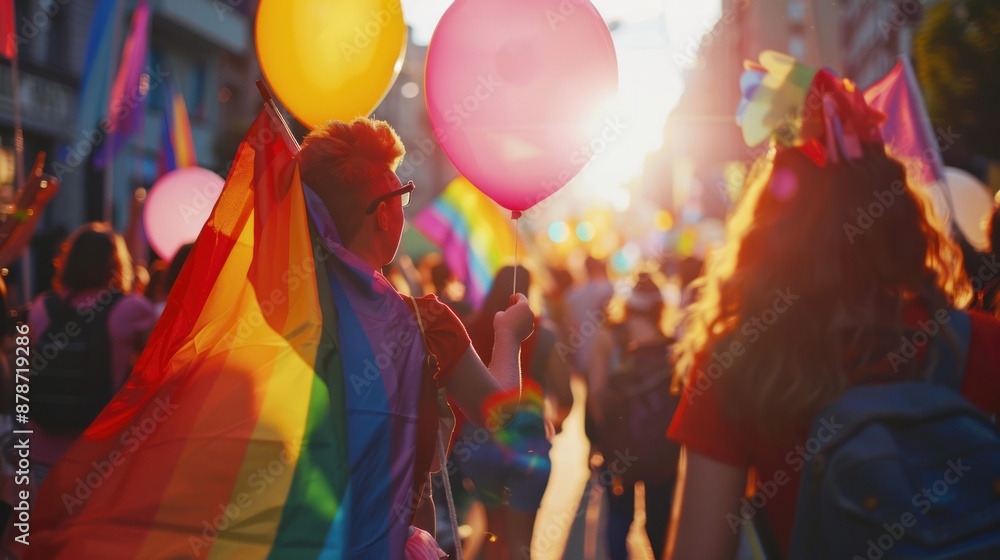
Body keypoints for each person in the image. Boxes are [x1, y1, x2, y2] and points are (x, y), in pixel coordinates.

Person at [665, 58, 1000, 559]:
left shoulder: (738, 362)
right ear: (903, 221)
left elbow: (699, 550)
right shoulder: (984, 342)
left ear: (768, 237)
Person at [298, 118, 535, 557]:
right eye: (402, 195)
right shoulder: (425, 324)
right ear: (385, 212)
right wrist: (510, 336)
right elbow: (500, 414)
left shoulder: (280, 317)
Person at [28, 223, 158, 484]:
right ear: (117, 264)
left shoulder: (42, 307)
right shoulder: (131, 309)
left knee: (38, 524)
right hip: (97, 455)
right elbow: (162, 360)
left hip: (38, 450)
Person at [460, 266, 572, 560]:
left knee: (493, 533)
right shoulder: (546, 335)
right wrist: (554, 426)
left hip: (480, 445)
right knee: (521, 542)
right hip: (529, 446)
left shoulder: (468, 329)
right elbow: (566, 397)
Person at [585, 272, 678, 560]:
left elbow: (596, 393)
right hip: (663, 449)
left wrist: (597, 441)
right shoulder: (671, 344)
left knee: (618, 517)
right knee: (660, 519)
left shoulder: (608, 337)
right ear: (659, 306)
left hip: (618, 447)